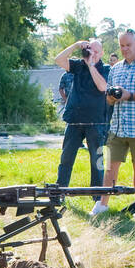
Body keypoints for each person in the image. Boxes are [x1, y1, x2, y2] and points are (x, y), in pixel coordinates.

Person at [91, 29, 135, 215]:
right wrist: (113, 98)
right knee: (109, 168)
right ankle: (102, 205)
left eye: (128, 45)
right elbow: (108, 98)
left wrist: (130, 95)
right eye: (122, 46)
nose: (125, 49)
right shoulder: (116, 68)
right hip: (117, 127)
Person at [53, 37, 111, 187]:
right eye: (91, 50)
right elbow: (58, 59)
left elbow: (102, 87)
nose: (93, 54)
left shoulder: (106, 69)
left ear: (102, 53)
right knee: (66, 158)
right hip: (74, 120)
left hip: (96, 121)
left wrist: (91, 65)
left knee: (97, 160)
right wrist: (76, 45)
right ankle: (60, 190)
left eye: (97, 52)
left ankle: (97, 195)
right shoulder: (78, 65)